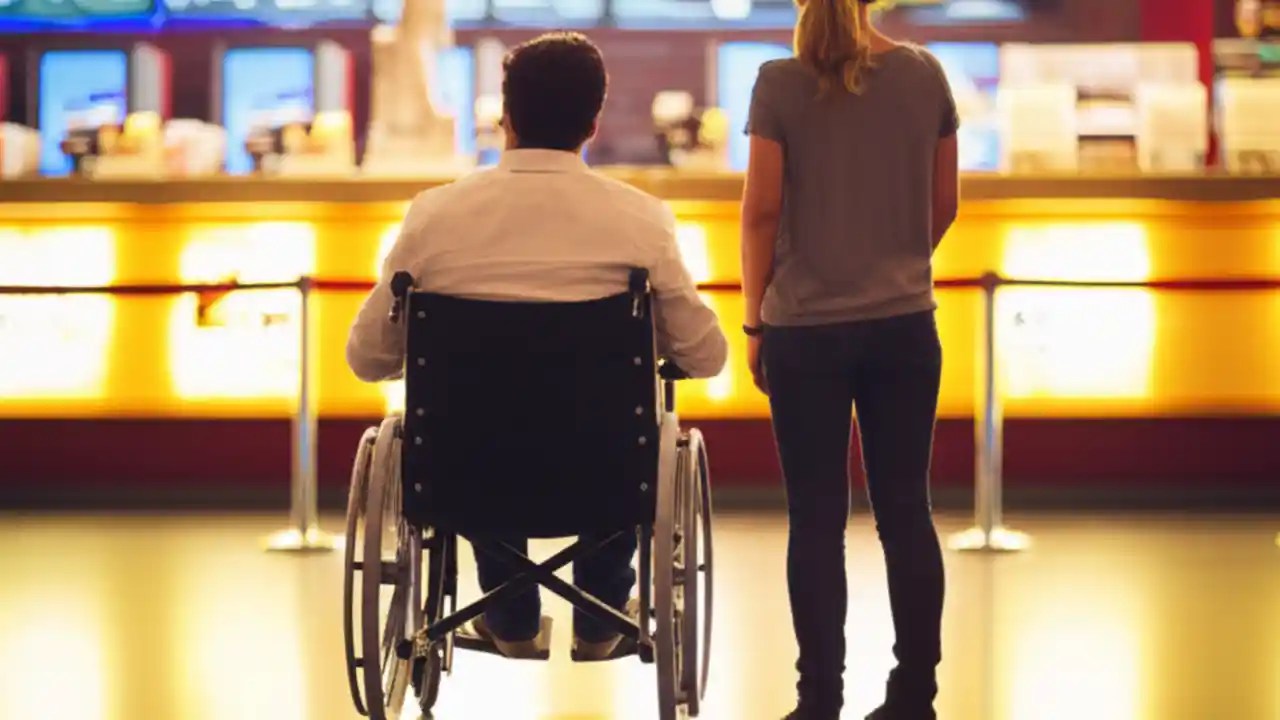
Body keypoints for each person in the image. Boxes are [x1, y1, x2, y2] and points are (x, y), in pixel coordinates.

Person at [346, 31, 727, 662]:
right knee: (622, 425)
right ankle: (604, 611)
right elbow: (707, 356)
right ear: (594, 122)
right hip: (605, 471)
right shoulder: (640, 219)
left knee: (481, 427)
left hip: (462, 470)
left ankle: (509, 615)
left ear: (505, 116)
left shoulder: (434, 215)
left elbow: (367, 359)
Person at [739, 0, 960, 717]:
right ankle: (913, 696)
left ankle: (818, 701)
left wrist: (753, 319)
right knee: (905, 511)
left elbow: (761, 212)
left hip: (803, 330)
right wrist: (893, 259)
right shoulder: (925, 74)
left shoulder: (776, 82)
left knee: (814, 518)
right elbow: (946, 200)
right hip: (903, 325)